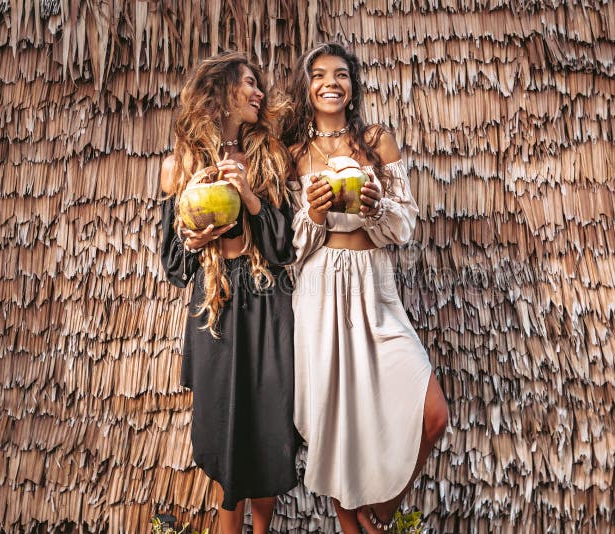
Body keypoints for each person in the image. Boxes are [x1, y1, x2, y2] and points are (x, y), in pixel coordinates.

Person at [283, 42, 449, 534]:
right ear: (306, 86)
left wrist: (376, 207)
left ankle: (381, 512)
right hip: (318, 293)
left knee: (433, 413)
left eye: (340, 74)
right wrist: (312, 214)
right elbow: (287, 250)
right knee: (334, 426)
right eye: (318, 74)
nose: (330, 82)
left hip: (373, 287)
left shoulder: (377, 142)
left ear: (353, 86)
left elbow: (406, 225)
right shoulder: (293, 155)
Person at [158, 52, 299, 534]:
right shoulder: (181, 166)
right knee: (225, 426)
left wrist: (253, 197)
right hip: (215, 305)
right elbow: (174, 266)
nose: (259, 92)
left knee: (267, 424)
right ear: (220, 92)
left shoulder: (271, 156)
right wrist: (191, 238)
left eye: (259, 84)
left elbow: (284, 249)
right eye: (247, 84)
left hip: (267, 301)